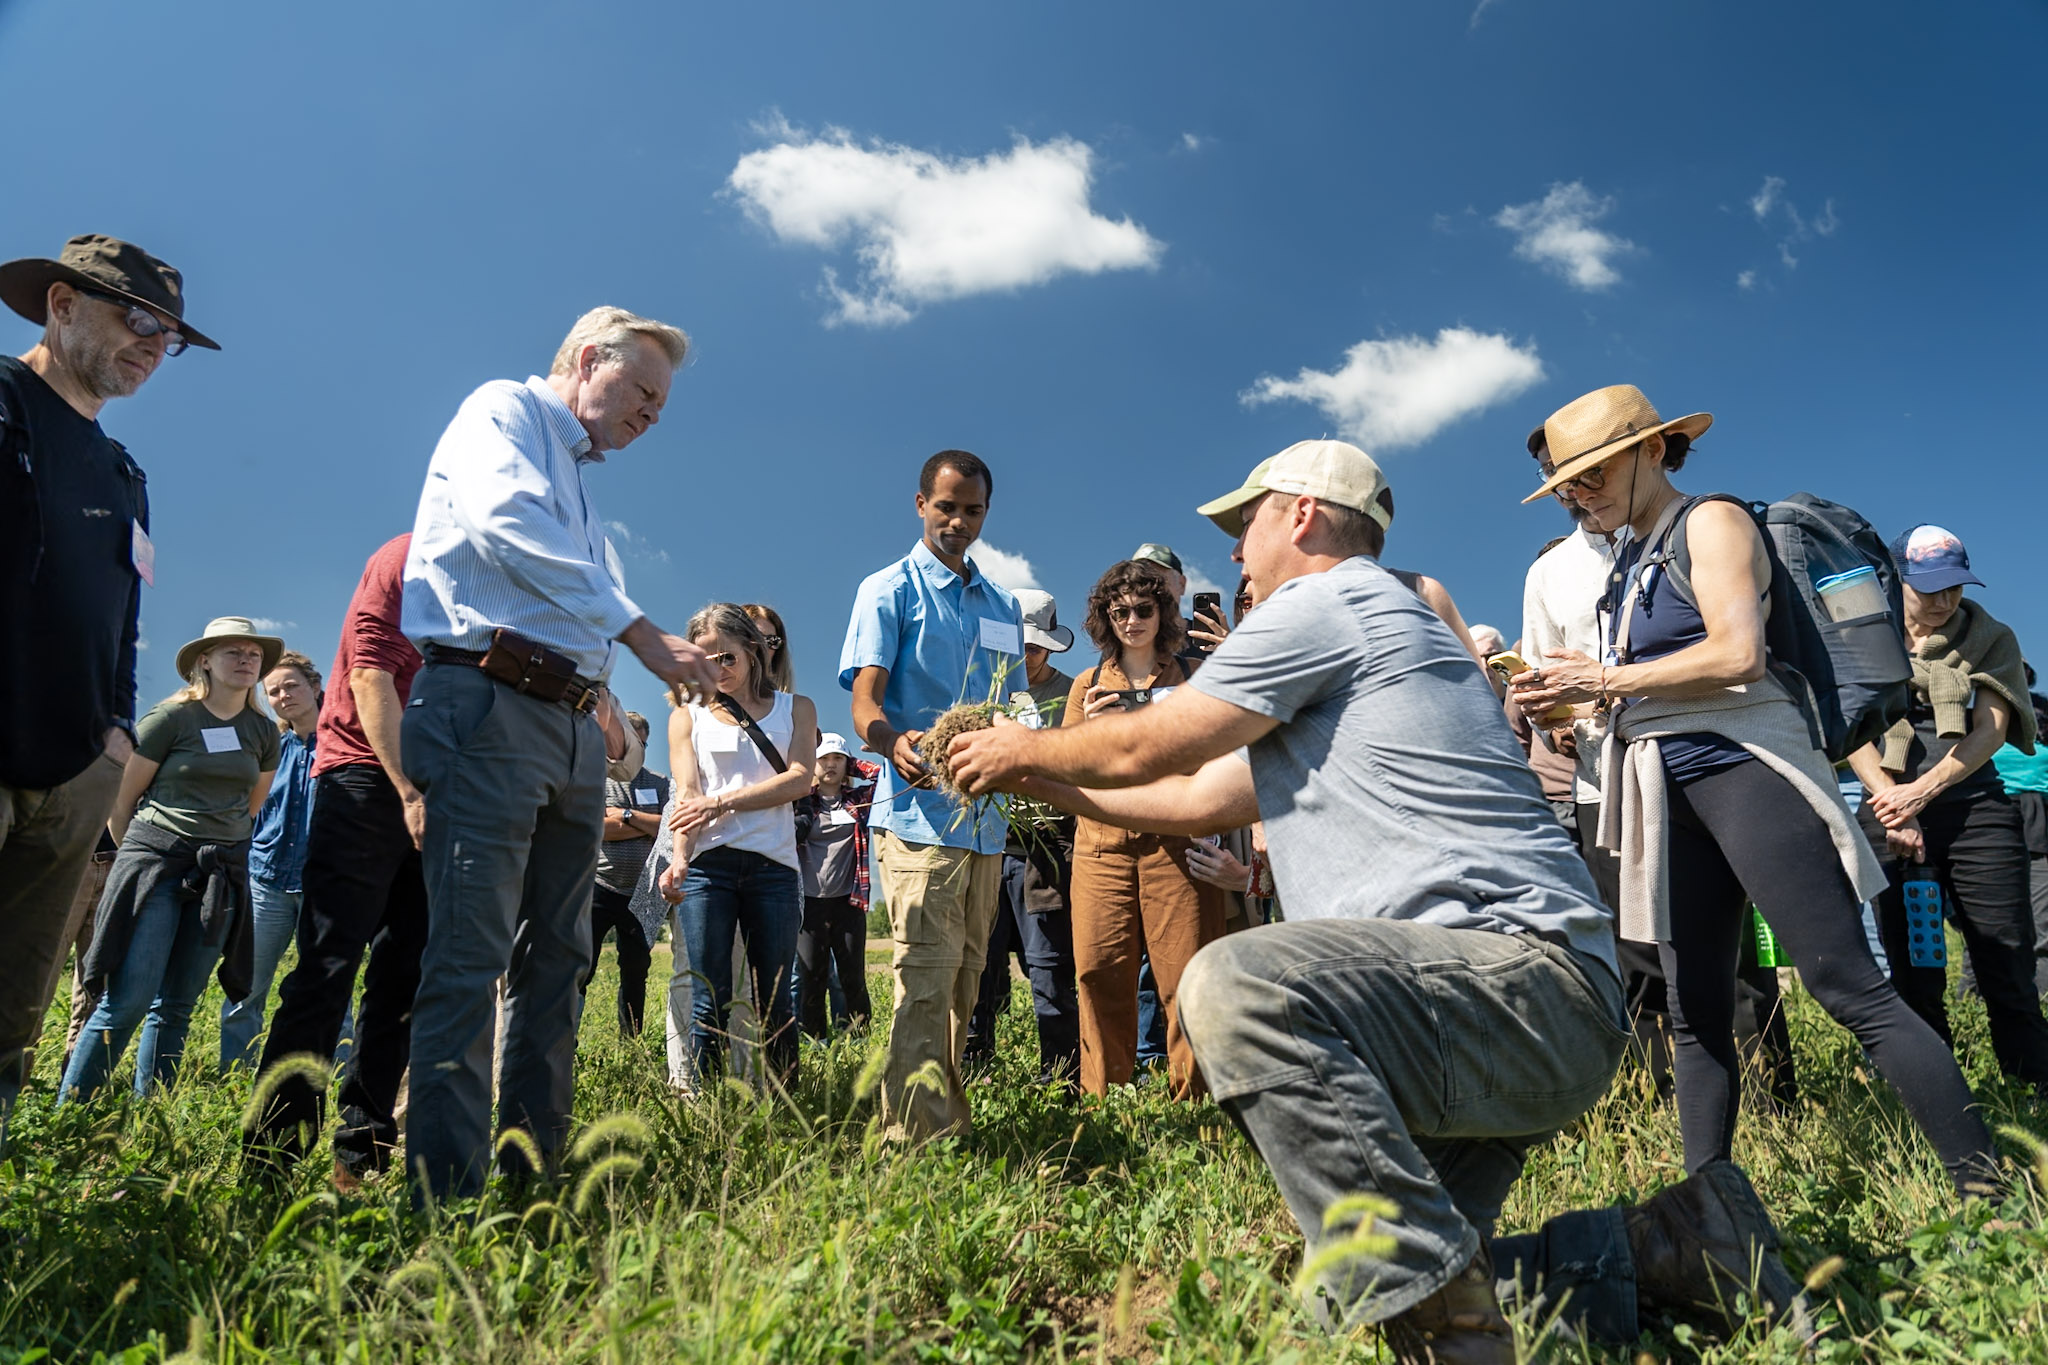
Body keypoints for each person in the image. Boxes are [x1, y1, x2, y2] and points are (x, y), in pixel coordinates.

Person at [949, 438, 1803, 1354]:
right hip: (1489, 1012)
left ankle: (1464, 1343)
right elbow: (1194, 799)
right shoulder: (1372, 642)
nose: (1236, 551)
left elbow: (1148, 745)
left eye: (1247, 524)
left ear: (1303, 514)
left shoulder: (1331, 599)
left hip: (1506, 984)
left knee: (1236, 986)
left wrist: (1020, 746)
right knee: (1355, 1304)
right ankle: (1678, 1245)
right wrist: (1030, 782)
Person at [1511, 385, 2002, 1202]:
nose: (1579, 495)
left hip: (1743, 769)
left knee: (1846, 983)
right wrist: (1568, 700)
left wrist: (1604, 675)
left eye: (1595, 474)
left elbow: (1739, 652)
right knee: (1694, 1012)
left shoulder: (1712, 520)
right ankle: (1710, 1212)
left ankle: (1988, 1190)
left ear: (1653, 451)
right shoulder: (1624, 563)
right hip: (1663, 788)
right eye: (1568, 484)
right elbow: (1635, 683)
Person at [398, 305, 715, 1199]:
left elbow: (570, 607)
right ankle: (446, 1198)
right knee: (471, 951)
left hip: (568, 726)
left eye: (660, 407)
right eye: (642, 391)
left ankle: (530, 1171)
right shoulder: (501, 413)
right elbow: (505, 524)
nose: (650, 415)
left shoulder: (582, 489)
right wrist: (641, 630)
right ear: (587, 360)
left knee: (559, 957)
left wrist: (604, 704)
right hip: (489, 703)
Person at [0, 234, 218, 1136]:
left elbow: (123, 623)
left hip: (75, 771)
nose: (151, 344)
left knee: (15, 1009)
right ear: (60, 304)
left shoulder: (125, 474)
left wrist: (119, 730)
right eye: (136, 318)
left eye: (165, 335)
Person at [840, 449, 1022, 1141]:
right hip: (918, 814)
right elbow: (864, 701)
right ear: (920, 504)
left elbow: (1012, 702)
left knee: (965, 982)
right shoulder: (887, 589)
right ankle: (908, 1137)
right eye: (945, 506)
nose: (958, 521)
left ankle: (946, 1119)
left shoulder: (1003, 604)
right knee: (923, 975)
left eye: (972, 510)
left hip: (986, 819)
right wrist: (893, 743)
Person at [243, 535, 430, 1186]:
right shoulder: (405, 557)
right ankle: (270, 1163)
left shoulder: (489, 579)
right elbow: (369, 673)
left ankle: (361, 1156)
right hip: (363, 777)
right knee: (325, 969)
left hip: (436, 794)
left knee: (401, 979)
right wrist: (407, 787)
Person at [1846, 526, 2047, 1084]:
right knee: (1913, 963)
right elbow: (1848, 726)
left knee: (2005, 954)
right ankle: (1934, 1089)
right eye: (1929, 589)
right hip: (1887, 815)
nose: (1944, 601)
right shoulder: (1864, 635)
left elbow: (1990, 729)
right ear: (1898, 579)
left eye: (1954, 587)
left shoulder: (1988, 636)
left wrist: (1922, 791)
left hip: (1975, 810)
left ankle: (2031, 1087)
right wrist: (1893, 802)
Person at [61, 618, 280, 1102]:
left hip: (218, 873)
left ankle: (149, 1113)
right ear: (204, 660)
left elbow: (250, 806)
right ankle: (72, 1111)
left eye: (254, 654)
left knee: (178, 1003)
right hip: (156, 865)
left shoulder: (264, 731)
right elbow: (123, 800)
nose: (246, 660)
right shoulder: (169, 719)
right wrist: (137, 859)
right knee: (129, 998)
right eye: (233, 652)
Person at [1062, 560, 1224, 1098]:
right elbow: (1063, 768)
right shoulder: (1087, 684)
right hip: (1101, 845)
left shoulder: (1194, 676)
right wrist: (1089, 731)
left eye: (1144, 609)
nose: (1132, 620)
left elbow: (1222, 755)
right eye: (1120, 611)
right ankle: (1102, 1109)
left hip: (1176, 842)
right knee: (1099, 975)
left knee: (1187, 981)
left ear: (1164, 612)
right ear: (1105, 618)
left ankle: (1197, 1110)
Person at [660, 604, 816, 1085]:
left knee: (775, 997)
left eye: (726, 658)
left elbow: (800, 780)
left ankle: (787, 1105)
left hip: (774, 867)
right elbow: (688, 797)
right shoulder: (687, 718)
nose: (717, 671)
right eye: (704, 662)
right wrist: (679, 859)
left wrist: (721, 802)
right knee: (710, 994)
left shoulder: (797, 709)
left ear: (753, 650)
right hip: (709, 868)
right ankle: (709, 1111)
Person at [966, 588, 1082, 1082]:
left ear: (1050, 647)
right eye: (1015, 648)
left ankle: (1060, 1074)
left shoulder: (1071, 694)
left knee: (1048, 967)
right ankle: (974, 1065)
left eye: (1032, 649)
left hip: (1046, 849)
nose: (1023, 658)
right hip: (989, 845)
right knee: (979, 965)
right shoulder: (987, 694)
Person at [218, 651, 324, 1069]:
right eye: (273, 691)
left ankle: (332, 1071)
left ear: (316, 687)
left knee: (325, 986)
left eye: (291, 685)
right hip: (266, 883)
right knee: (245, 987)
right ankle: (235, 1072)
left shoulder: (343, 743)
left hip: (322, 883)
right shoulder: (270, 750)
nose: (283, 696)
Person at [585, 712, 669, 1040]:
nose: (631, 750)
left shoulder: (660, 783)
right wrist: (644, 824)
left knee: (636, 972)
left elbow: (667, 828)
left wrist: (624, 815)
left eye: (641, 743)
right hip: (599, 887)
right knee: (583, 967)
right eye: (625, 742)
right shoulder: (593, 780)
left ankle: (630, 1042)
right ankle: (566, 1041)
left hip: (642, 891)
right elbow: (593, 829)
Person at [795, 733, 875, 1038]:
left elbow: (884, 778)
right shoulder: (802, 800)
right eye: (823, 759)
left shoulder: (859, 801)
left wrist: (854, 766)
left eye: (837, 759)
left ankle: (859, 1038)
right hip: (809, 902)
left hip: (848, 902)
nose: (830, 765)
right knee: (811, 976)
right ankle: (815, 1041)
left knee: (852, 976)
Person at [1990, 672, 2048, 993]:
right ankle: (1972, 1002)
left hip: (2038, 816)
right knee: (1990, 923)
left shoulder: (2044, 711)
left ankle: (2042, 998)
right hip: (1990, 811)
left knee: (2042, 922)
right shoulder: (1973, 717)